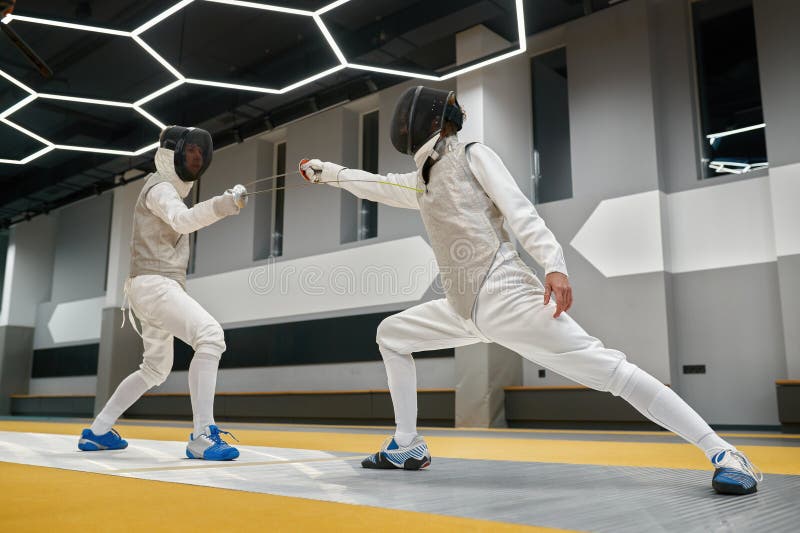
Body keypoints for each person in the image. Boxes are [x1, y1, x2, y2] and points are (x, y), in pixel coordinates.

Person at [299, 86, 761, 494]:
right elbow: (375, 185)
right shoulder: (422, 181)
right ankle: (406, 446)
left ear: (425, 123)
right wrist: (325, 171)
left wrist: (554, 265)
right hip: (464, 305)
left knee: (611, 372)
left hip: (506, 295)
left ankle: (724, 452)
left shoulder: (472, 153)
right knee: (393, 334)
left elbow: (518, 209)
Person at [78, 126, 247, 461]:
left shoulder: (165, 189)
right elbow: (182, 220)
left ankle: (98, 431)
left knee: (155, 368)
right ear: (172, 153)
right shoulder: (160, 189)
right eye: (191, 151)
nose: (197, 157)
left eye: (201, 152)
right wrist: (224, 204)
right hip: (154, 285)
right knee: (211, 336)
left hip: (147, 286)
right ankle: (202, 435)